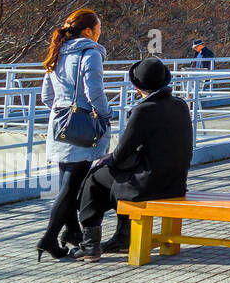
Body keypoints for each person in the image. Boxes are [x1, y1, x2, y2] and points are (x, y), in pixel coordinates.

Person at [74, 57, 194, 262]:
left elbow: (122, 153)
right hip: (175, 182)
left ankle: (90, 245)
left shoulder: (143, 110)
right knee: (114, 178)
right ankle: (123, 236)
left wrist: (106, 160)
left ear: (136, 86)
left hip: (148, 185)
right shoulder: (180, 104)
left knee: (94, 178)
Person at [36, 8, 117, 261]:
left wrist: (63, 115)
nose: (100, 33)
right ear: (88, 31)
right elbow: (94, 91)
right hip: (82, 128)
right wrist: (105, 115)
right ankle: (49, 238)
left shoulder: (58, 50)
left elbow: (46, 97)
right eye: (99, 28)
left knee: (66, 182)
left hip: (59, 123)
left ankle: (72, 232)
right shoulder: (90, 53)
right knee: (72, 185)